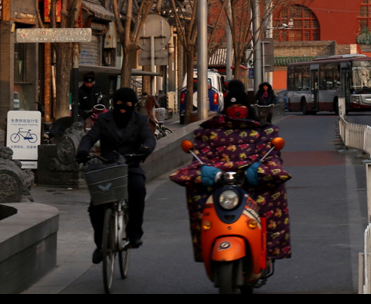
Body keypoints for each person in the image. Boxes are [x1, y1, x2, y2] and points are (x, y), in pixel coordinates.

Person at [170, 80, 292, 266]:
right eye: (232, 106)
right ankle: (205, 247)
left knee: (274, 190)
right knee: (196, 193)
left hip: (251, 180)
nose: (237, 109)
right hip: (219, 183)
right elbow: (201, 157)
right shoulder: (209, 133)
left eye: (241, 105)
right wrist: (208, 172)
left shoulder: (262, 132)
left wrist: (257, 171)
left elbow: (272, 159)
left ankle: (269, 249)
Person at [76, 87, 156, 264]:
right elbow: (90, 137)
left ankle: (134, 233)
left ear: (134, 105)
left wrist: (145, 149)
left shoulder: (141, 120)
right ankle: (100, 245)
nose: (123, 108)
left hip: (131, 165)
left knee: (137, 191)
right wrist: (82, 150)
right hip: (108, 166)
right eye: (120, 104)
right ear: (114, 103)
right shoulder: (104, 119)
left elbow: (149, 138)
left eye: (128, 104)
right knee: (96, 206)